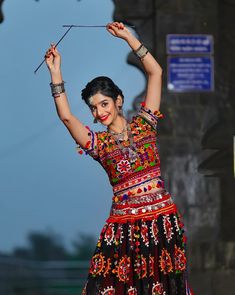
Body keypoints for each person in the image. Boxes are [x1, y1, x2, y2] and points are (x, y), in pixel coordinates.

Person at [45, 22, 193, 295]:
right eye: (94, 107)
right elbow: (66, 117)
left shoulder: (145, 124)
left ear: (119, 100)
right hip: (125, 234)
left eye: (104, 103)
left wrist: (128, 38)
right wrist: (56, 73)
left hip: (162, 225)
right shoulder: (98, 144)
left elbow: (156, 72)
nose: (100, 112)